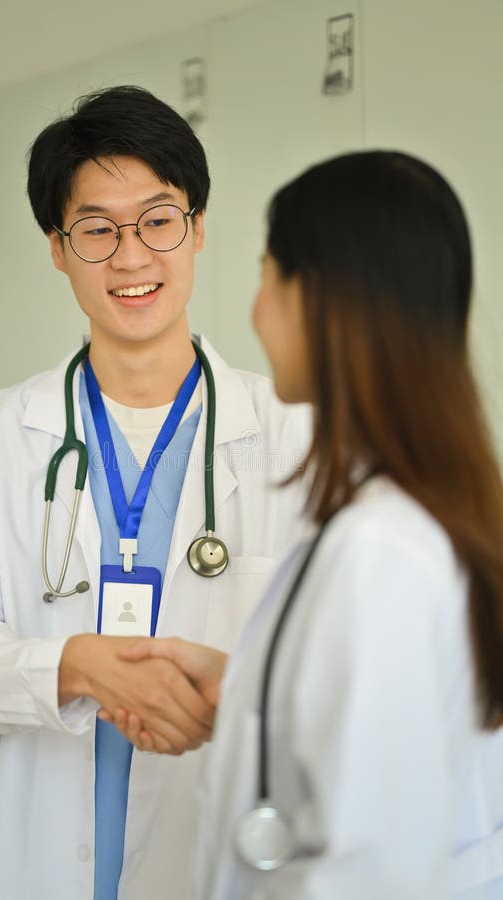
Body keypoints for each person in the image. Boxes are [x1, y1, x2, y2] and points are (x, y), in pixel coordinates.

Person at [0, 86, 308, 900]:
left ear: (197, 228)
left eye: (158, 220)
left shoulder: (299, 437)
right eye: (96, 230)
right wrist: (70, 666)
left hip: (222, 853)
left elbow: (356, 664)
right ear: (57, 248)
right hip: (31, 862)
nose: (130, 257)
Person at [112, 150, 503, 898]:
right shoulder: (418, 515)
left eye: (266, 275)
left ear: (316, 300)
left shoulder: (383, 551)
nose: (256, 309)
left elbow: (366, 869)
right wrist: (254, 691)